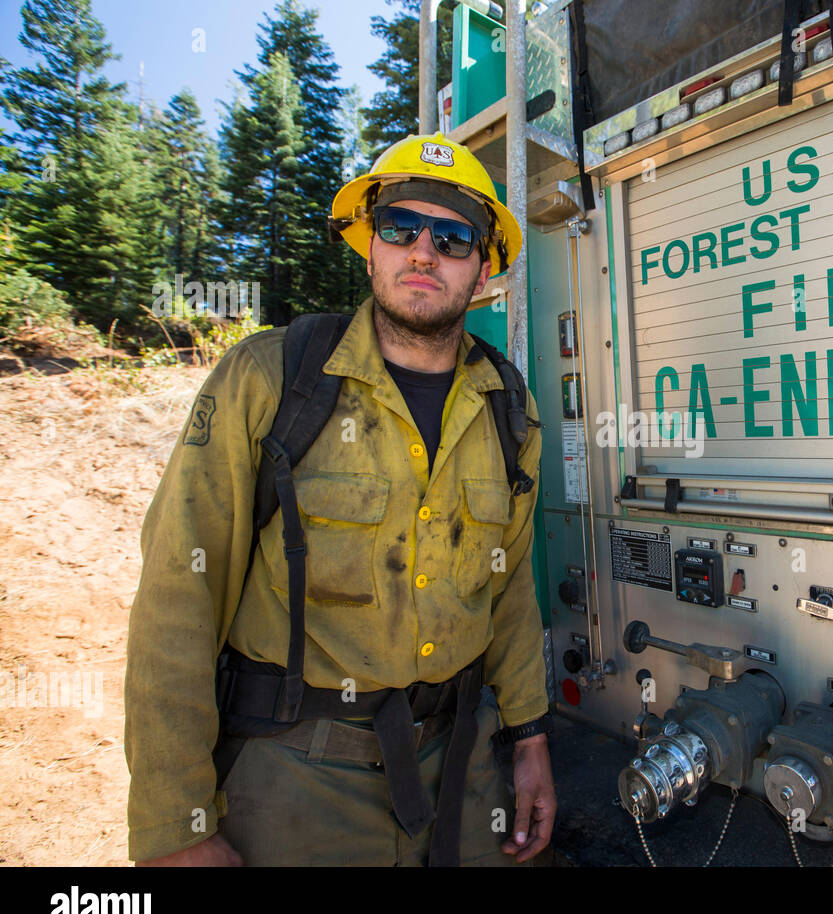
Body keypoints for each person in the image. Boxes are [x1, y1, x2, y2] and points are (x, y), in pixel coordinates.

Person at [124, 132, 555, 866]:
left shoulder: (509, 409)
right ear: (369, 245)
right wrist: (177, 824)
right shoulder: (268, 380)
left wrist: (529, 737)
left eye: (453, 238)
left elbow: (507, 592)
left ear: (483, 271)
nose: (424, 252)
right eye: (400, 228)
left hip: (462, 770)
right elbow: (177, 597)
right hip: (294, 780)